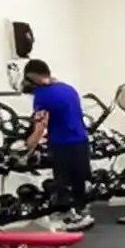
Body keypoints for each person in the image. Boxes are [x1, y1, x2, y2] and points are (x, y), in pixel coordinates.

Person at [22, 59, 93, 231]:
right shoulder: (69, 89)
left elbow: (40, 126)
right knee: (79, 180)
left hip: (62, 144)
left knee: (63, 182)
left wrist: (27, 148)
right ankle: (82, 213)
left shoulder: (42, 94)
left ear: (34, 77)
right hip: (81, 140)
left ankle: (73, 216)